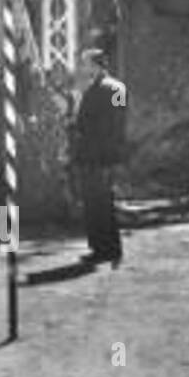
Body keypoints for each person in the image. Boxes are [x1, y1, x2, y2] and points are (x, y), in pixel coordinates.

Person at [70, 48, 127, 267]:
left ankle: (100, 249)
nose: (82, 68)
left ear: (95, 65)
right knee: (107, 203)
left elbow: (82, 124)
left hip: (92, 154)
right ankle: (113, 249)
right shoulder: (119, 88)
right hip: (110, 154)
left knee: (94, 204)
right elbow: (119, 121)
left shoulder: (93, 90)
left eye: (85, 63)